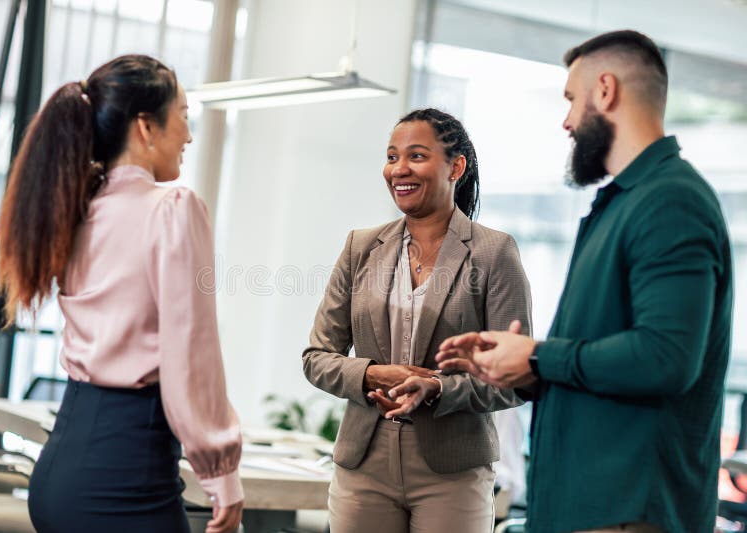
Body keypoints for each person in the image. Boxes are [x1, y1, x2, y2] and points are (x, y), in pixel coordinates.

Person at [436, 30, 734, 533]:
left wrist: (536, 356)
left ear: (605, 90)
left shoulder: (670, 202)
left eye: (572, 99)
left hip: (628, 509)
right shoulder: (624, 203)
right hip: (588, 505)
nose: (567, 120)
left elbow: (666, 358)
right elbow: (610, 357)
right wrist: (524, 368)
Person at [0, 55, 243, 533]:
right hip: (126, 479)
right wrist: (223, 476)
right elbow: (192, 356)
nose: (189, 136)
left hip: (58, 473)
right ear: (146, 126)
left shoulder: (78, 207)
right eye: (184, 117)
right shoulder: (173, 208)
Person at [302, 108, 532, 533]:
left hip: (452, 470)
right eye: (391, 157)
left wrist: (438, 387)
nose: (399, 169)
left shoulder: (493, 253)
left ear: (456, 167)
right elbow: (316, 357)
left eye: (417, 156)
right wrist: (372, 374)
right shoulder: (361, 247)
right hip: (364, 465)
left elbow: (515, 379)